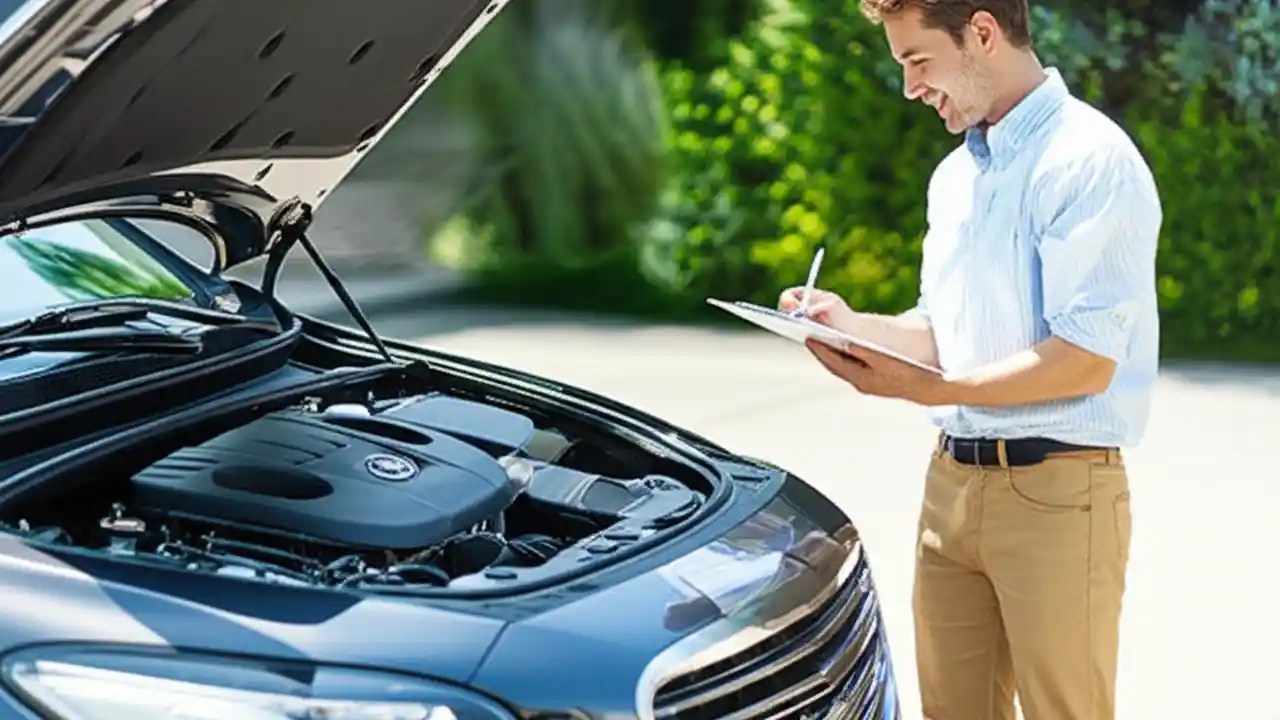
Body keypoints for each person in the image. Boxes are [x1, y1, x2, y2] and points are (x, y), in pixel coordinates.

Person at [777, 1, 1161, 719]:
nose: (909, 88)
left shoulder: (1089, 158)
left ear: (982, 33)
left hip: (1058, 494)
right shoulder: (954, 179)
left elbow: (1087, 359)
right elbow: (941, 331)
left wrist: (935, 388)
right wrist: (848, 325)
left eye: (917, 60)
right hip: (950, 484)